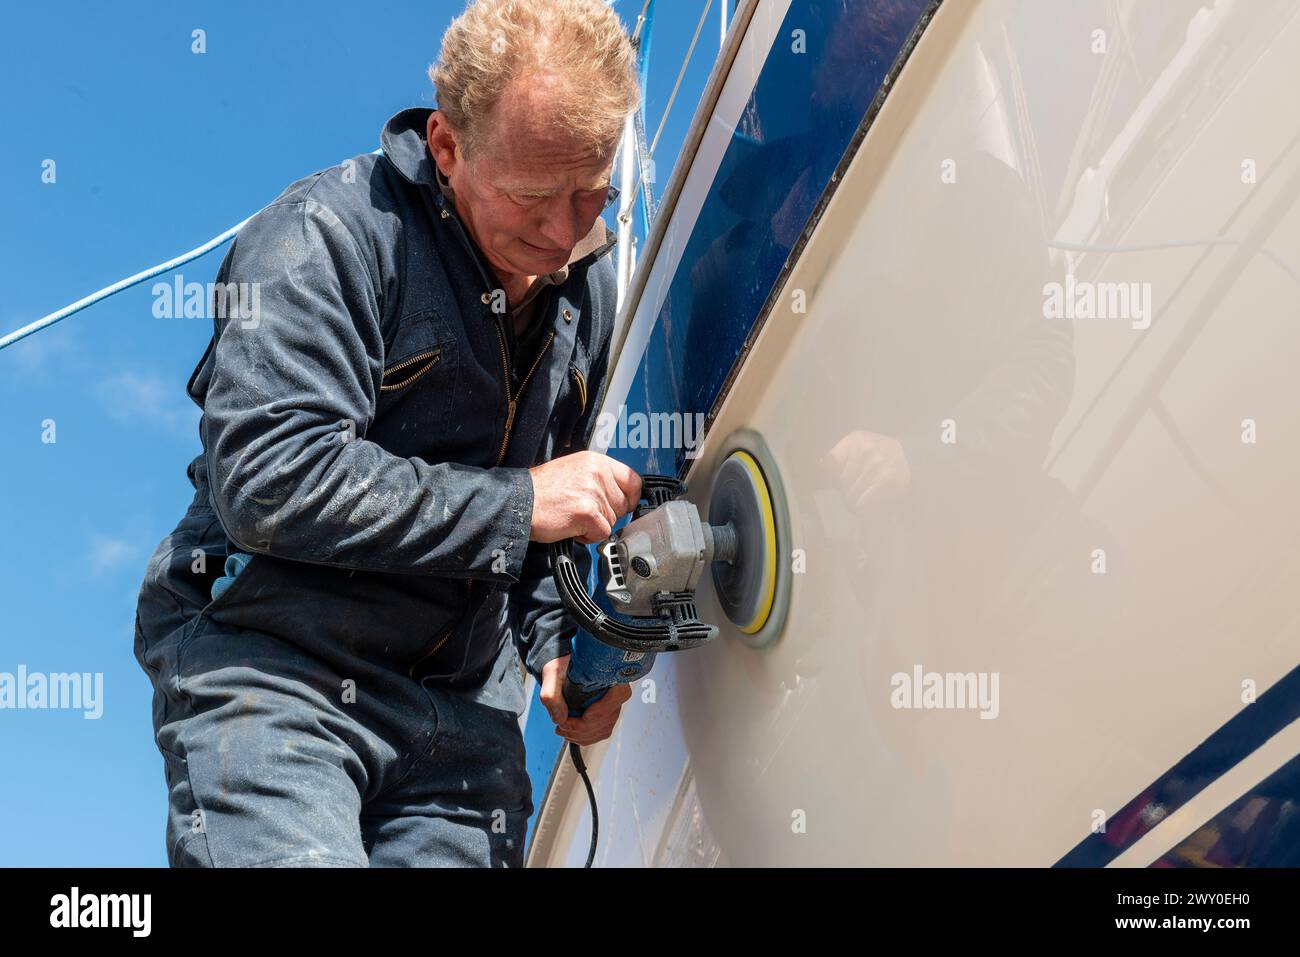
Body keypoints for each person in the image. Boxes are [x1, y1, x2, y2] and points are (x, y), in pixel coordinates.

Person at [132, 0, 641, 868]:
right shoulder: (324, 237)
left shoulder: (584, 288)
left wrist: (558, 641)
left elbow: (542, 532)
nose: (563, 234)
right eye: (530, 197)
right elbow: (270, 481)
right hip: (276, 671)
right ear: (447, 146)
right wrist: (520, 502)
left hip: (461, 717)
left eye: (591, 192)